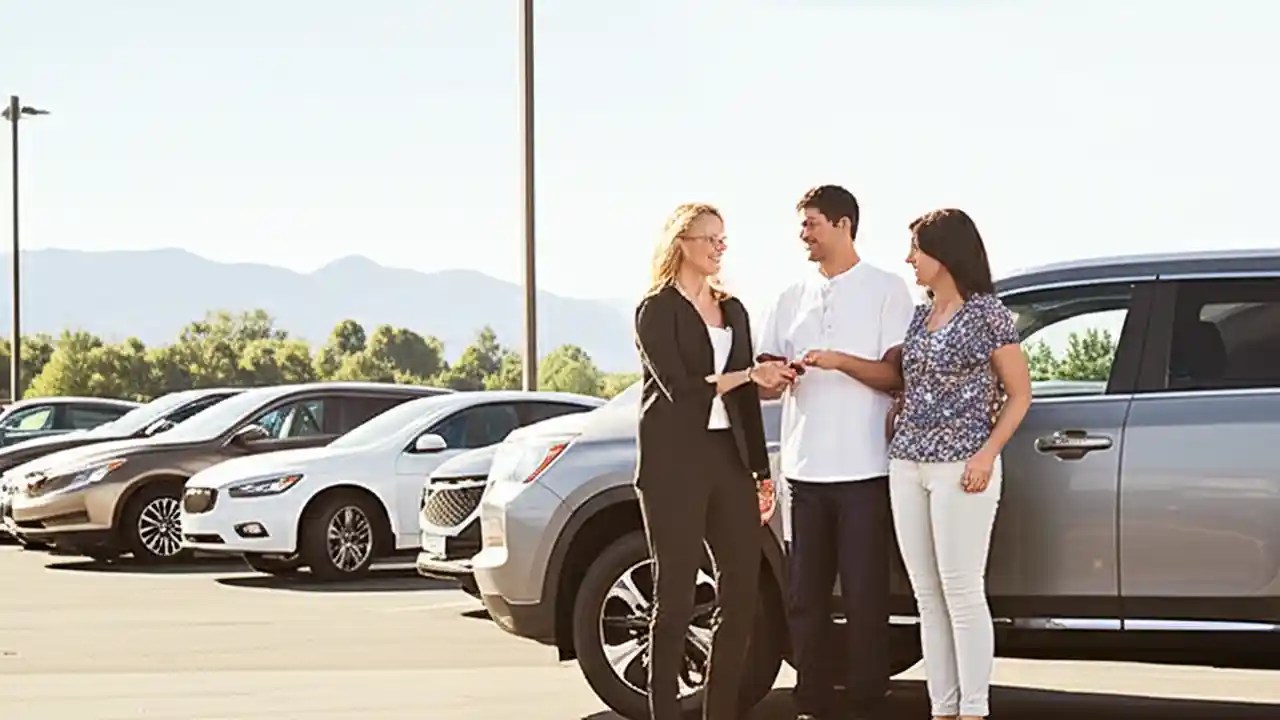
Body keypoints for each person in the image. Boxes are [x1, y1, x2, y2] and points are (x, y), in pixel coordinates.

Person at [757, 185, 915, 720]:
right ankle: (813, 702)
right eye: (802, 225)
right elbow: (763, 380)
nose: (804, 234)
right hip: (803, 471)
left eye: (812, 223)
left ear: (844, 224)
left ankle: (870, 700)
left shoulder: (888, 289)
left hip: (866, 468)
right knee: (804, 599)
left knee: (867, 597)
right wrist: (774, 378)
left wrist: (838, 361)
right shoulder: (787, 296)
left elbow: (895, 375)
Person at [634, 202, 796, 720]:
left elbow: (745, 403)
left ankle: (719, 712)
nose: (719, 247)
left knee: (742, 592)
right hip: (673, 464)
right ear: (682, 242)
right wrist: (748, 375)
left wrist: (759, 474)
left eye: (723, 239)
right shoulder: (655, 310)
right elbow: (682, 391)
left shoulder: (735, 310)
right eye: (710, 239)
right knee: (676, 597)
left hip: (729, 458)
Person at [887, 208, 1031, 720]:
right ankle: (941, 708)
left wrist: (987, 454)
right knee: (927, 595)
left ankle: (974, 709)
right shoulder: (920, 314)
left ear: (944, 253)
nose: (909, 259)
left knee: (962, 591)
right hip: (907, 465)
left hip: (962, 467)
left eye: (916, 249)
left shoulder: (988, 313)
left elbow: (1019, 394)